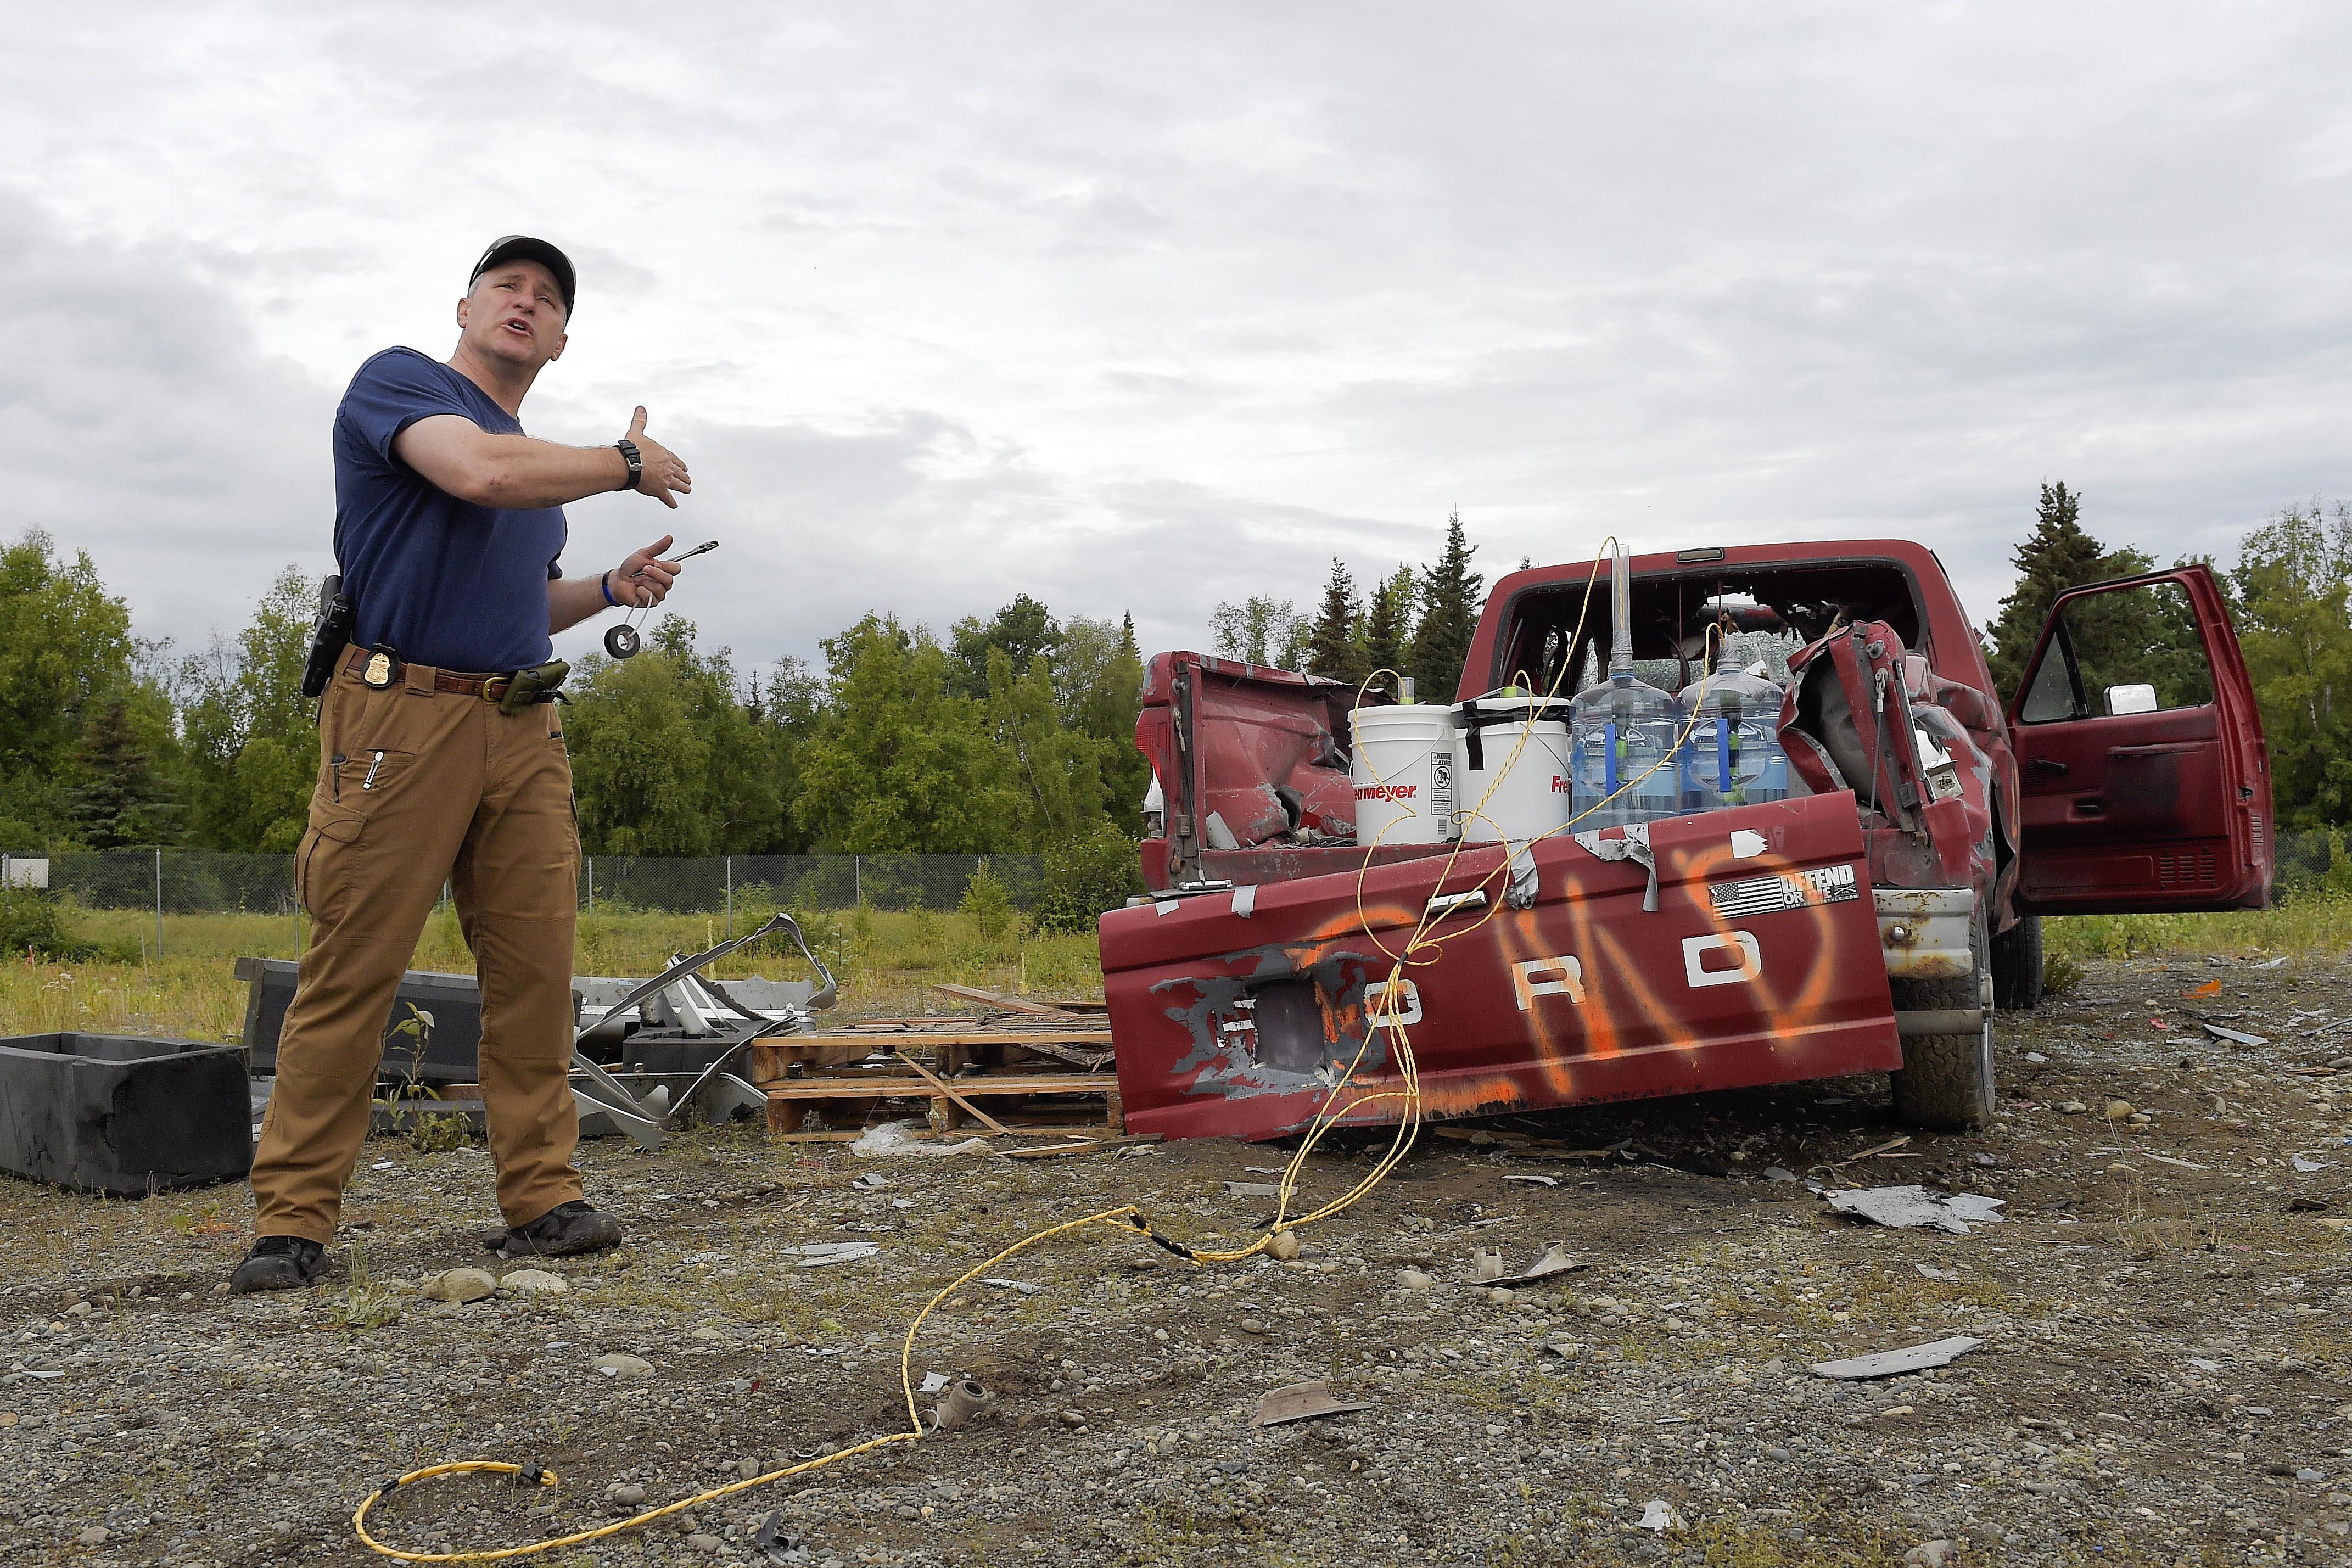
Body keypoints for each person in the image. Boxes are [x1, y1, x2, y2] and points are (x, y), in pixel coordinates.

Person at [232, 236, 696, 1293]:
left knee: (535, 976)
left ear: (562, 341)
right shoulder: (401, 385)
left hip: (521, 728)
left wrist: (609, 589)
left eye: (548, 298)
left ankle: (543, 1199)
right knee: (355, 970)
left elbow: (523, 602)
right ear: (465, 308)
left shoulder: (544, 483)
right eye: (507, 287)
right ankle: (292, 1223)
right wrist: (628, 464)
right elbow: (479, 472)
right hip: (397, 722)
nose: (526, 303)